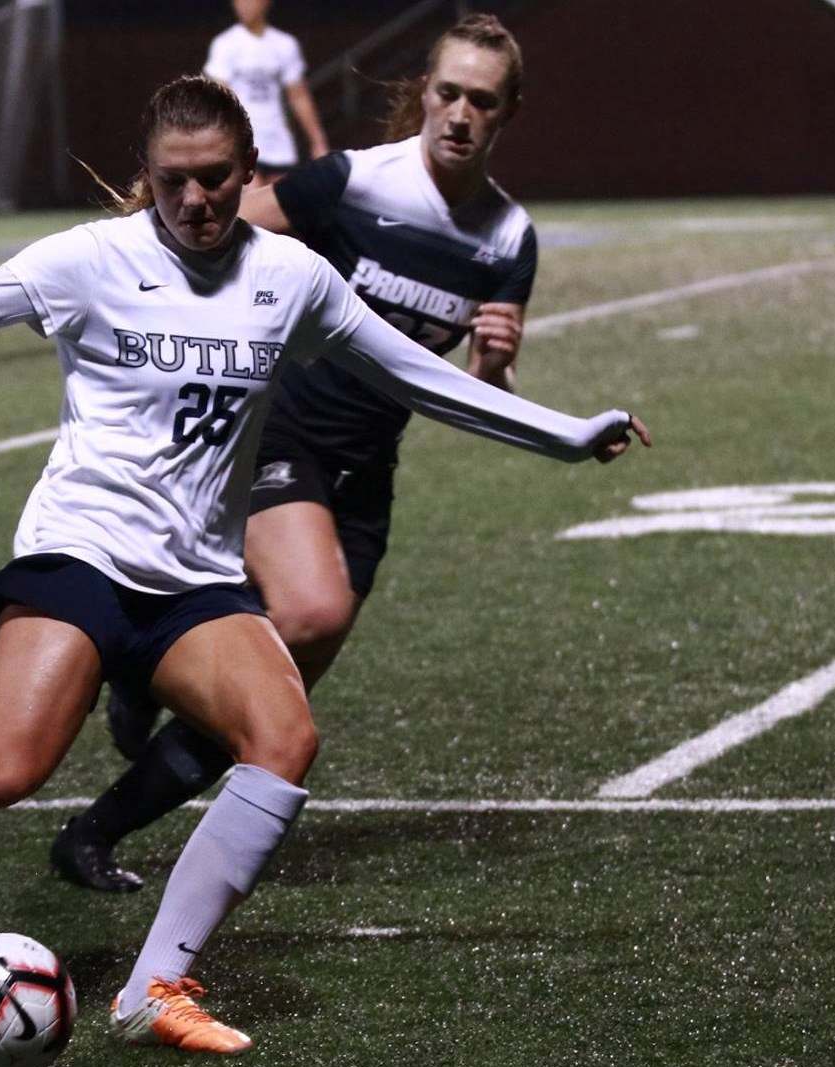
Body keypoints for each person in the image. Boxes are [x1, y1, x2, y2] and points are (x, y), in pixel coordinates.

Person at [0, 75, 648, 1055]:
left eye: (215, 178)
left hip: (196, 581)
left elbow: (423, 377)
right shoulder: (88, 262)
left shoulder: (292, 279)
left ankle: (155, 986)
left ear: (249, 171)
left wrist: (562, 433)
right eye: (173, 180)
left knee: (284, 737)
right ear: (146, 175)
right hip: (84, 553)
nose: (195, 200)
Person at [51, 13, 542, 894]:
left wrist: (498, 363)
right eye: (449, 92)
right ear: (424, 94)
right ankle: (145, 652)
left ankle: (95, 830)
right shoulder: (354, 181)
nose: (461, 113)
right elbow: (218, 226)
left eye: (484, 100)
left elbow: (475, 387)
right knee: (311, 614)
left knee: (280, 690)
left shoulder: (509, 239)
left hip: (368, 468)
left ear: (507, 114)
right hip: (285, 439)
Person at [204, 0, 328, 185]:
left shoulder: (285, 44)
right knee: (251, 205)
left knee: (282, 206)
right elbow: (220, 98)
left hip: (279, 145)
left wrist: (318, 142)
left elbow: (299, 97)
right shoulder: (225, 44)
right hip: (242, 145)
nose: (243, 6)